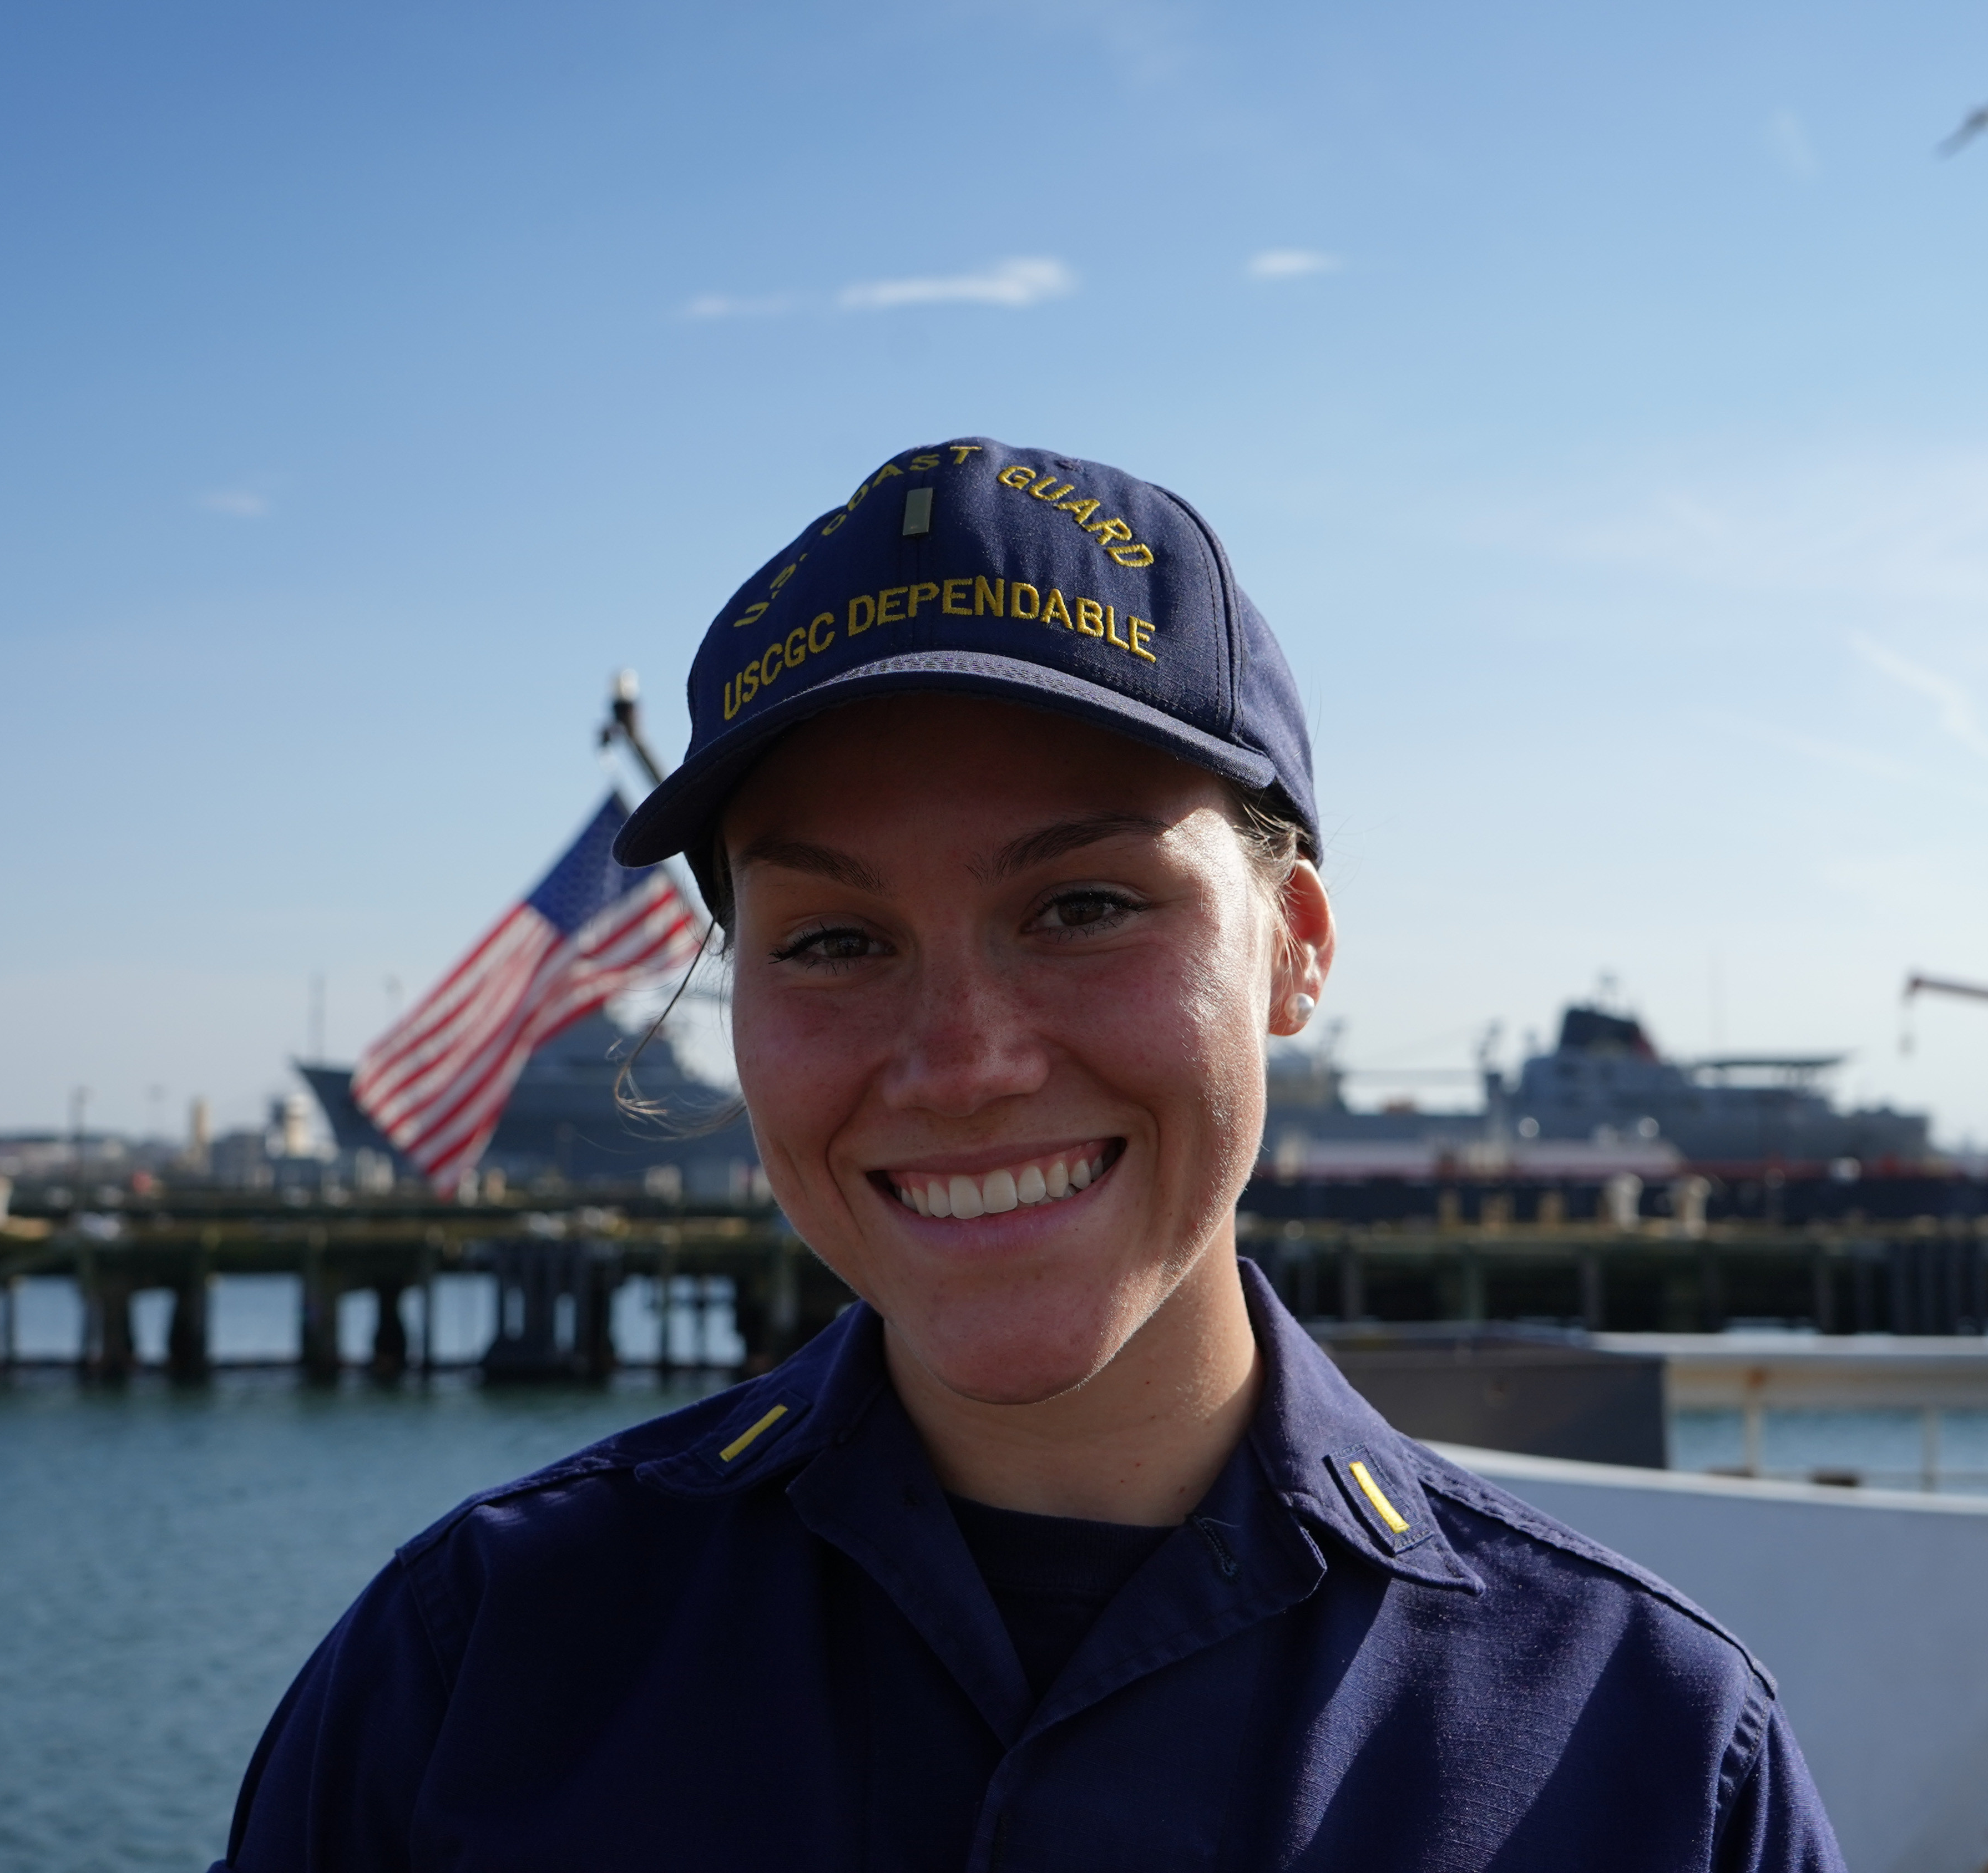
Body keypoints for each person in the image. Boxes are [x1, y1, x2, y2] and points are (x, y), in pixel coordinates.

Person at [217, 439, 1845, 1871]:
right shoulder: (462, 1676)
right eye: (835, 940)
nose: (963, 1065)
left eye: (1084, 906)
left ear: (1295, 947)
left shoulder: (1656, 1756)